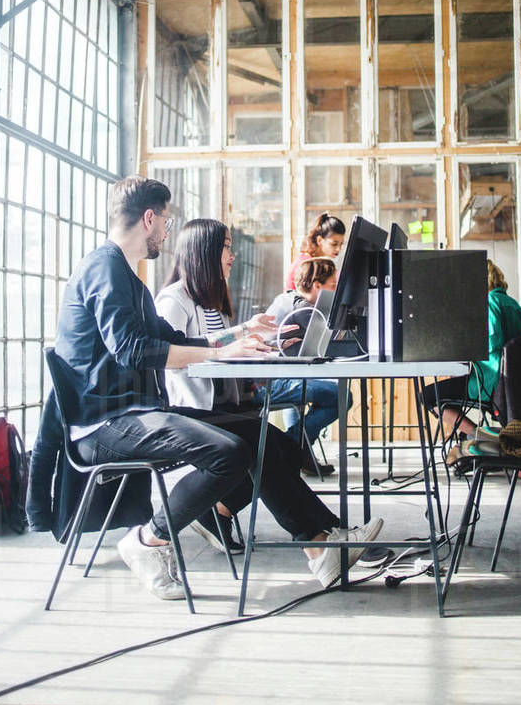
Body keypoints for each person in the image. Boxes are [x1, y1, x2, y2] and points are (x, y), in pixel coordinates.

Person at [56, 178, 382, 599]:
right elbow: (135, 351)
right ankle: (148, 540)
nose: (166, 233)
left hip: (133, 414)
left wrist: (235, 339)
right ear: (149, 219)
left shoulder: (126, 276)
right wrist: (221, 352)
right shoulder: (106, 268)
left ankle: (321, 547)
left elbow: (174, 340)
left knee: (258, 435)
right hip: (106, 424)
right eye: (166, 222)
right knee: (229, 451)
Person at [155, 216, 383, 575]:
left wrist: (257, 339)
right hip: (191, 411)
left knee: (289, 450)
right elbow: (172, 358)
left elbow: (214, 344)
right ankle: (321, 543)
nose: (233, 255)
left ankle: (223, 513)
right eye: (227, 247)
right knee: (263, 446)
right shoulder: (174, 300)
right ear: (205, 252)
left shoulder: (207, 301)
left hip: (222, 406)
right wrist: (231, 347)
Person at [256, 257, 350, 477]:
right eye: (332, 286)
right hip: (270, 382)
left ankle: (297, 449)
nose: (335, 291)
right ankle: (291, 446)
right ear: (317, 285)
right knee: (341, 396)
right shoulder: (302, 309)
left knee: (337, 395)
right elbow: (329, 345)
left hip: (280, 376)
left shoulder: (290, 301)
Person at [420, 259, 521, 444]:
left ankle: (480, 437)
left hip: (490, 382)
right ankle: (471, 437)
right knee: (450, 392)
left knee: (429, 396)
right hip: (513, 386)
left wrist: (461, 342)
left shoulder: (489, 301)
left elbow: (492, 341)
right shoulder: (514, 305)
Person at [285, 212, 346, 290]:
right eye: (334, 244)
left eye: (341, 244)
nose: (338, 249)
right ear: (319, 240)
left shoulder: (313, 262)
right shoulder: (306, 264)